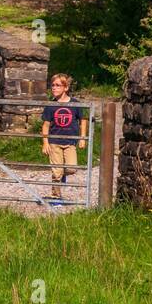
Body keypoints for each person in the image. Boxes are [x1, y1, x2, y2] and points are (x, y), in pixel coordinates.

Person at [41, 73, 86, 206]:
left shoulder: (75, 104)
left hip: (70, 142)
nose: (54, 88)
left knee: (72, 168)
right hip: (54, 142)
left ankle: (62, 175)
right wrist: (45, 142)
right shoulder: (50, 105)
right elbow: (45, 125)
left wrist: (82, 138)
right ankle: (56, 197)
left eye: (58, 85)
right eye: (52, 85)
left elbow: (83, 121)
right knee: (56, 171)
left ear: (66, 88)